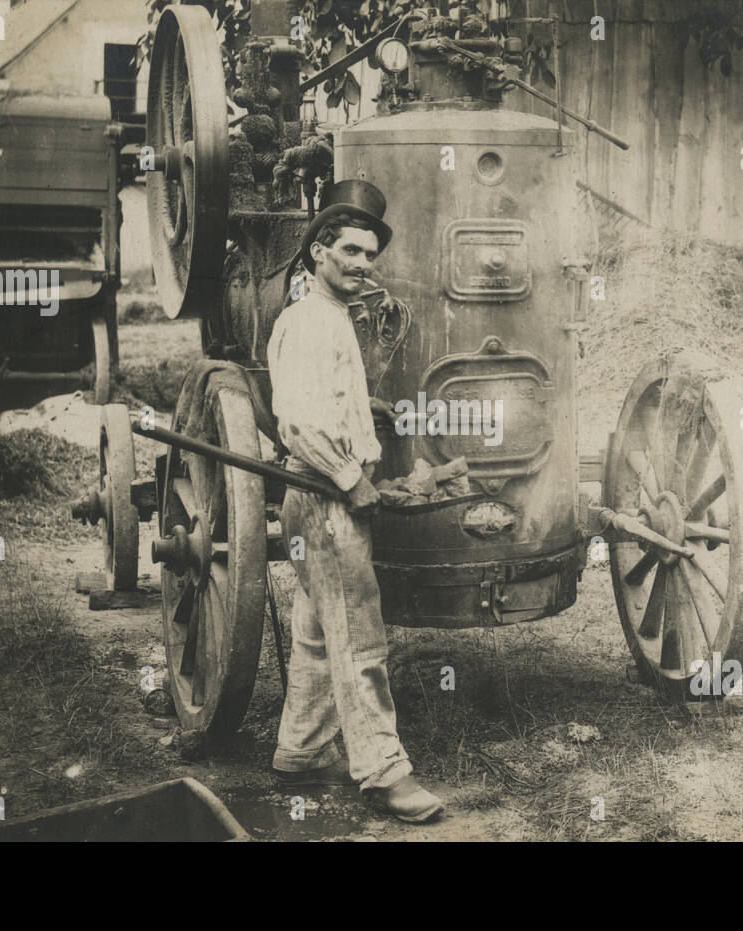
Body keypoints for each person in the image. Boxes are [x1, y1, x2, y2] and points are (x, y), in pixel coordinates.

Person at [266, 180, 444, 824]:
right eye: (348, 251)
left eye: (368, 254)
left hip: (318, 497)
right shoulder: (307, 322)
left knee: (319, 629)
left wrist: (363, 413)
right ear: (317, 251)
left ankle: (301, 748)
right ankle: (384, 771)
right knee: (360, 634)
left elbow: (323, 403)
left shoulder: (329, 317)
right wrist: (351, 476)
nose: (361, 264)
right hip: (322, 501)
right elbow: (296, 423)